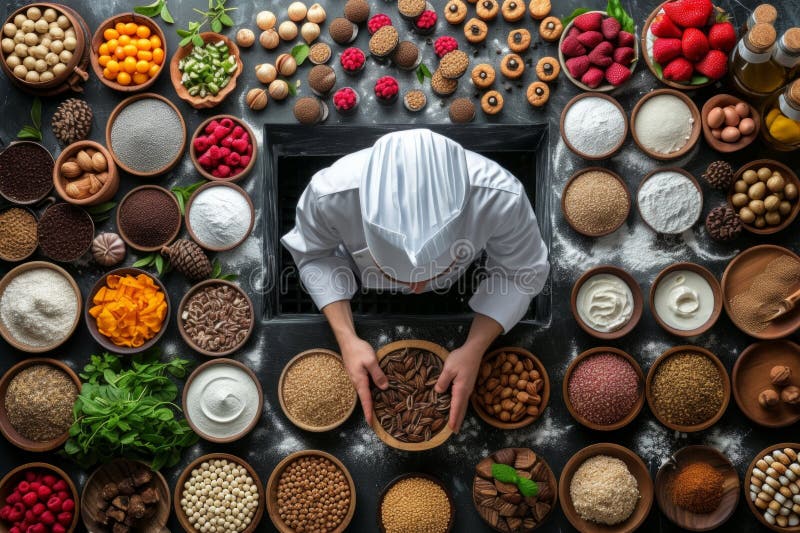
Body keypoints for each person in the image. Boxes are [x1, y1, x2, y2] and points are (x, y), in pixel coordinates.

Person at [282, 128, 549, 432]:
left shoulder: (501, 197)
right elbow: (315, 255)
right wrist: (346, 338)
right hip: (358, 279)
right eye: (390, 270)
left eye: (433, 273)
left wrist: (475, 347)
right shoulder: (329, 193)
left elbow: (520, 271)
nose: (415, 288)